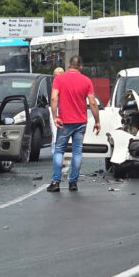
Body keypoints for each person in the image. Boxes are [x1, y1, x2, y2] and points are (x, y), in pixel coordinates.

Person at [47, 56, 100, 193]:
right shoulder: (86, 81)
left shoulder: (59, 79)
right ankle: (73, 182)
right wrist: (97, 121)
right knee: (77, 151)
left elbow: (54, 98)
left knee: (59, 150)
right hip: (80, 122)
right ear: (81, 66)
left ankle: (56, 182)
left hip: (64, 121)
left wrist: (55, 117)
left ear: (69, 64)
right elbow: (92, 102)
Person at [49, 67, 64, 152]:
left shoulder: (58, 85)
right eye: (55, 76)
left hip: (60, 109)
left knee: (58, 132)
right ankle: (57, 150)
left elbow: (53, 98)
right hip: (56, 109)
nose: (56, 78)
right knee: (55, 131)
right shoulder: (54, 85)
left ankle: (58, 151)